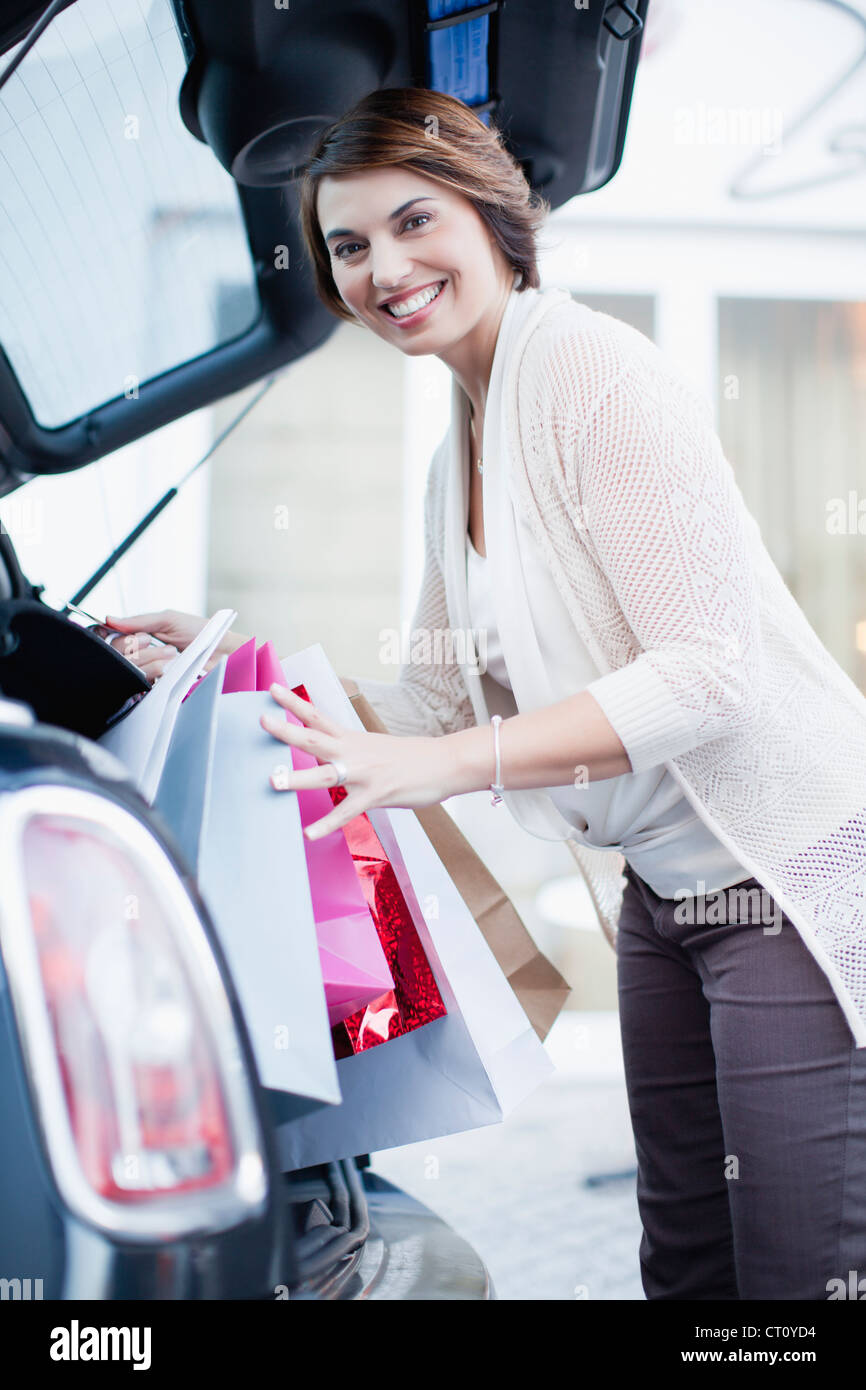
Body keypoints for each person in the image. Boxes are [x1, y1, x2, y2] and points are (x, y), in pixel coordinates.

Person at [107, 87, 866, 1301]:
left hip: (784, 868)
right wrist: (235, 660)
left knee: (792, 1277)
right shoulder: (455, 442)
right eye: (347, 245)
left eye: (413, 222)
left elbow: (705, 672)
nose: (382, 268)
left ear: (490, 211)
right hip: (667, 898)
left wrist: (440, 768)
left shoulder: (589, 371)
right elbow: (434, 710)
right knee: (684, 1262)